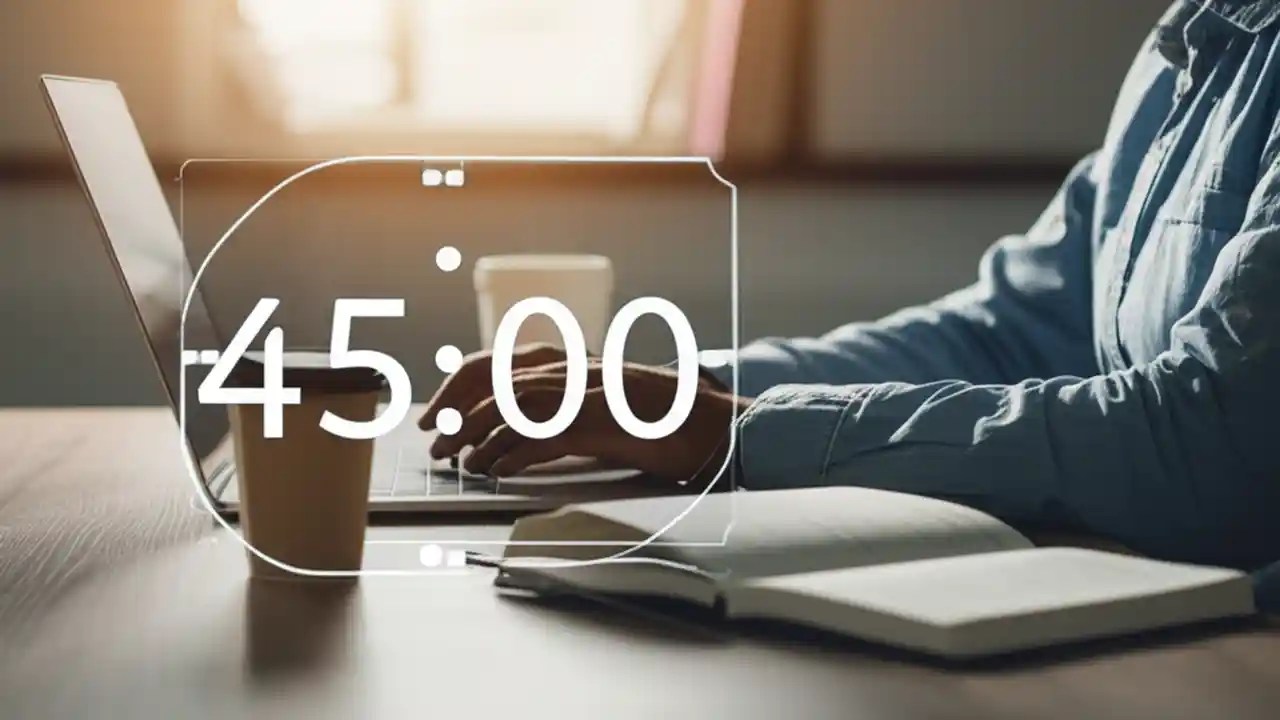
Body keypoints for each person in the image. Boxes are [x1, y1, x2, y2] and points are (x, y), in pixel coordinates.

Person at [423, 1, 1280, 579]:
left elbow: (1213, 449)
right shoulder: (1198, 42)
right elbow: (1013, 331)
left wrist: (734, 434)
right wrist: (700, 390)